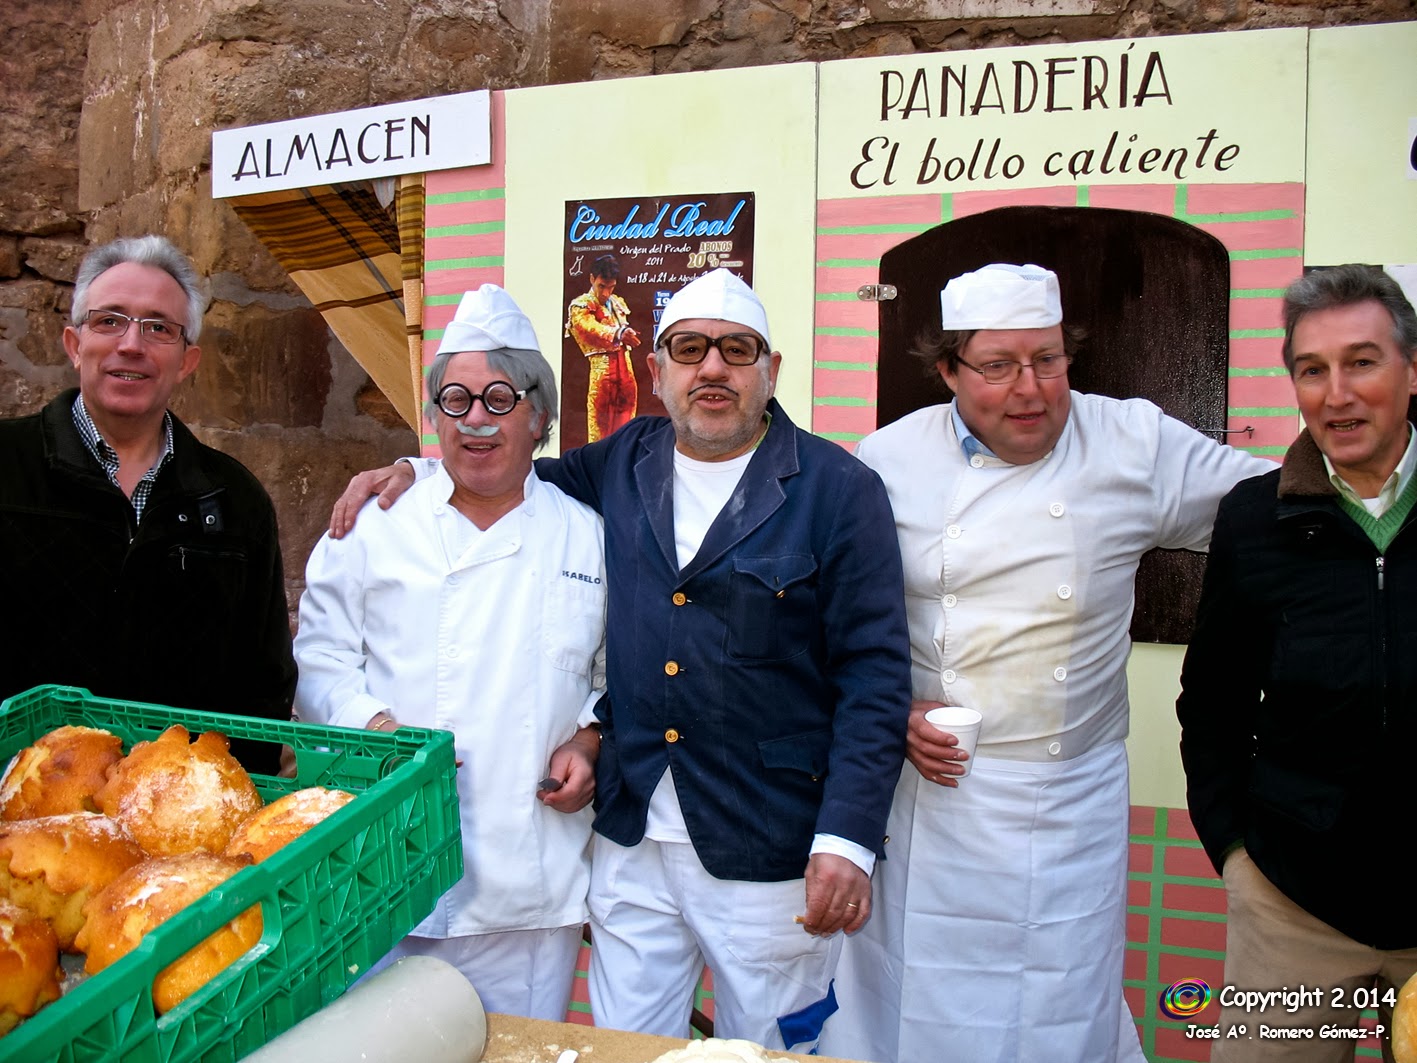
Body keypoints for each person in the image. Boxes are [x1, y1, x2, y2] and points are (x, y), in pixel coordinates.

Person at [331, 268, 911, 1051]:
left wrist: (844, 838)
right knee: (625, 1046)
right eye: (689, 349)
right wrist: (417, 468)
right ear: (657, 371)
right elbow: (505, 470)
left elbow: (874, 674)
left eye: (736, 350)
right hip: (631, 840)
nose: (712, 367)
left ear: (771, 369)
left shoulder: (839, 489)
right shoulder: (626, 458)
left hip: (768, 845)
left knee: (766, 1050)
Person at [821, 263, 1270, 1063]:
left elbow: (1275, 506)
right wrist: (892, 710)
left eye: (1048, 359)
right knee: (918, 1005)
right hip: (932, 794)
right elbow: (838, 616)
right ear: (948, 369)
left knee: (1060, 1008)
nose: (1029, 388)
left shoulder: (1133, 441)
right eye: (997, 365)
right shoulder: (888, 457)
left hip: (1069, 798)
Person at [293, 284, 606, 1020]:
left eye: (499, 398)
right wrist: (376, 729)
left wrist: (590, 739)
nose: (476, 420)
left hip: (527, 884)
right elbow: (319, 656)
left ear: (539, 415)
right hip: (382, 862)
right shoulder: (373, 523)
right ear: (433, 416)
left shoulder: (587, 534)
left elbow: (608, 672)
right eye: (455, 400)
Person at [1177, 265, 1417, 1060]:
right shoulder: (1255, 519)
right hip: (1291, 904)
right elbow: (1211, 700)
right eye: (1311, 370)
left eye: (1361, 362)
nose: (1335, 394)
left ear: (1411, 370)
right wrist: (1235, 855)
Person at [0, 235, 295, 773]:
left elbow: (262, 684)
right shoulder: (7, 467)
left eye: (159, 328)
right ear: (74, 344)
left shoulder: (235, 500)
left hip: (177, 809)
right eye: (109, 321)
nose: (132, 344)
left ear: (187, 361)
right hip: (21, 800)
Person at [566, 253, 641, 441]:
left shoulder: (617, 303)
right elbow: (588, 328)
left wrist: (627, 333)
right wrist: (619, 333)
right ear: (592, 279)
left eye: (611, 287)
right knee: (600, 427)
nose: (606, 293)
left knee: (626, 425)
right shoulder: (581, 305)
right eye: (602, 286)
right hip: (601, 373)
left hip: (625, 371)